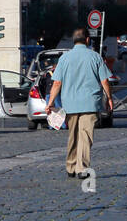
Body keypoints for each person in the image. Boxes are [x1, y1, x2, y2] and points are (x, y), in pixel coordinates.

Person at [45, 29, 114, 179]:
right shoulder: (95, 57)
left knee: (73, 135)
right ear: (87, 40)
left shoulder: (64, 58)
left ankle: (70, 166)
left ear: (73, 41)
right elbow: (105, 80)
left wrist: (50, 102)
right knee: (85, 136)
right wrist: (109, 97)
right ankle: (82, 168)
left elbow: (57, 83)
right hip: (90, 102)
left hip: (70, 103)